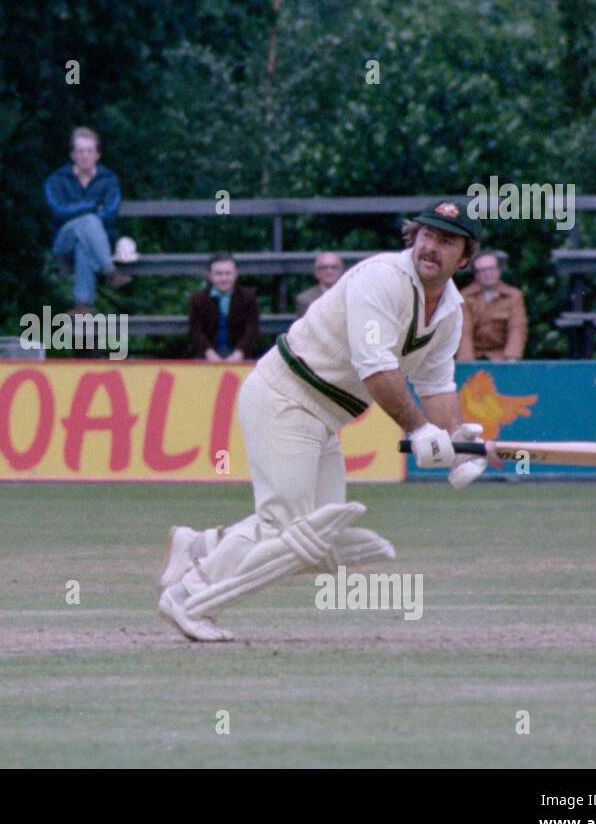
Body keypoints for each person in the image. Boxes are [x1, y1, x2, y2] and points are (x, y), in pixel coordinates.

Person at [157, 199, 486, 642]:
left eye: (447, 242)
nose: (432, 248)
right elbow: (377, 370)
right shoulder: (382, 280)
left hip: (324, 416)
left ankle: (200, 546)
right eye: (427, 236)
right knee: (287, 532)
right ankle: (189, 596)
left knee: (317, 543)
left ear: (465, 257)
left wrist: (458, 442)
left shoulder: (448, 310)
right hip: (286, 396)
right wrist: (419, 429)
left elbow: (437, 383)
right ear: (413, 237)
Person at [43, 127, 128, 314]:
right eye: (80, 151)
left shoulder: (109, 179)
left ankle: (83, 305)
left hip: (97, 244)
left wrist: (84, 214)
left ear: (97, 154)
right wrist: (90, 207)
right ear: (73, 154)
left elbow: (110, 212)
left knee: (85, 241)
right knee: (88, 222)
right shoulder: (57, 179)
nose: (85, 156)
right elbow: (58, 211)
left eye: (89, 151)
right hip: (64, 243)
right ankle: (110, 271)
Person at [455, 250, 527, 361]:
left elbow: (517, 328)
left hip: (501, 356)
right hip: (474, 354)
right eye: (482, 270)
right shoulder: (465, 296)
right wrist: (467, 361)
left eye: (492, 269)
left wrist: (512, 358)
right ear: (476, 274)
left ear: (499, 270)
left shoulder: (514, 296)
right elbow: (464, 331)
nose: (488, 273)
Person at [188, 252, 261, 361]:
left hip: (242, 355)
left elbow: (252, 329)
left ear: (236, 274)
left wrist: (238, 353)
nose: (224, 278)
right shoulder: (198, 299)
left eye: (228, 273)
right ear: (210, 275)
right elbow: (195, 331)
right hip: (206, 356)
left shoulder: (248, 297)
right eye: (219, 274)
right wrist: (209, 353)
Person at [294, 252, 344, 317]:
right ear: (316, 273)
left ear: (341, 272)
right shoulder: (305, 299)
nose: (329, 271)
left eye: (334, 267)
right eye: (324, 268)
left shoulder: (351, 297)